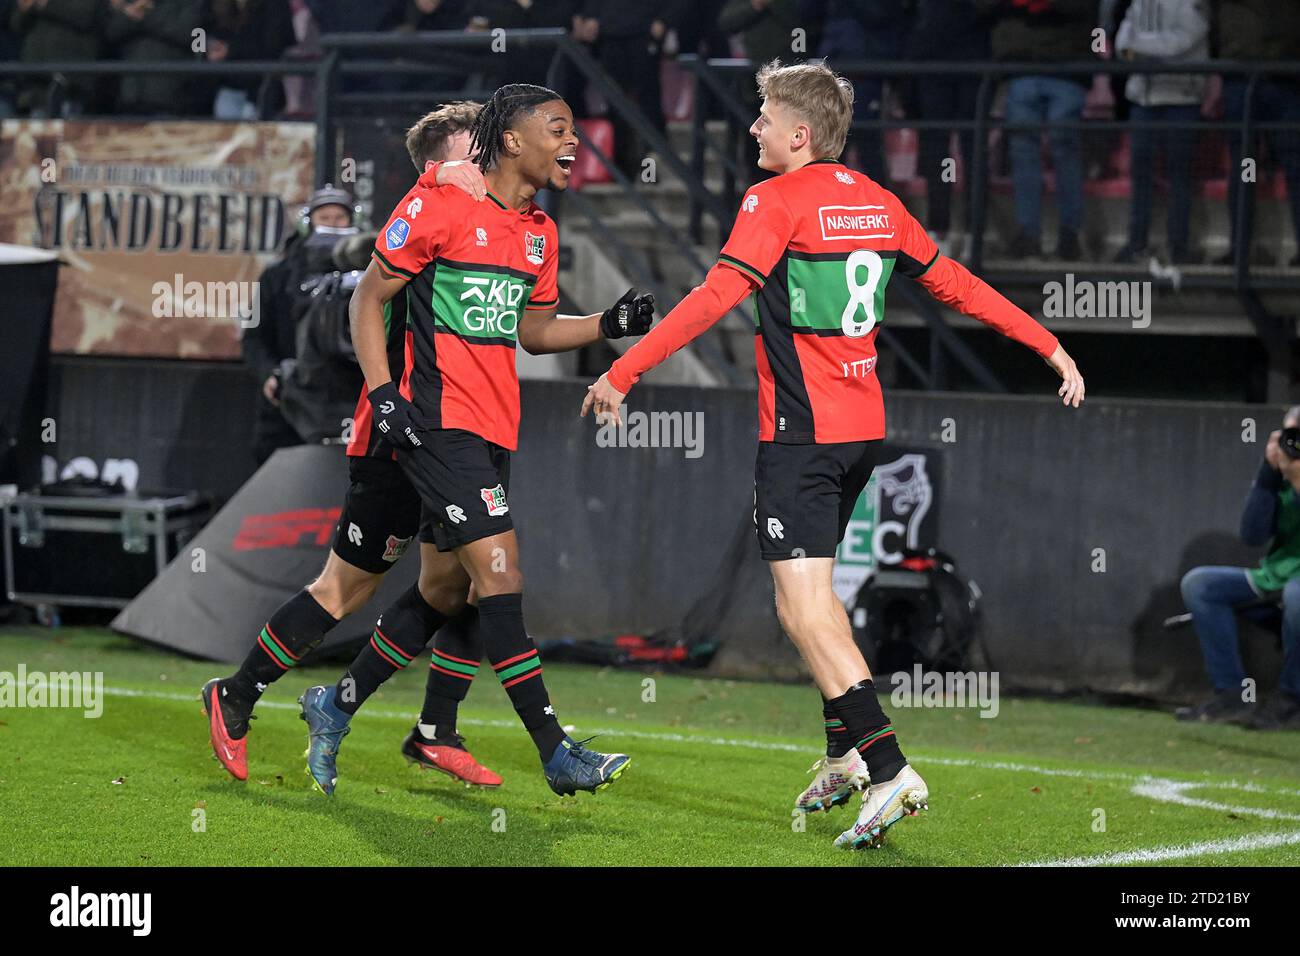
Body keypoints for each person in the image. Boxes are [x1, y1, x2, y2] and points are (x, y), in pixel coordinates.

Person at [582, 59, 1085, 849]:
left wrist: (623, 369)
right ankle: (842, 750)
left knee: (806, 606)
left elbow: (717, 295)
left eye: (764, 117)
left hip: (800, 435)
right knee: (802, 603)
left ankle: (887, 768)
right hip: (859, 434)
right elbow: (955, 283)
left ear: (800, 133)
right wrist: (1048, 343)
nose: (753, 128)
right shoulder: (878, 202)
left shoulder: (773, 200)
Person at [299, 84, 655, 798]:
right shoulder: (441, 204)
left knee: (446, 587)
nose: (572, 143)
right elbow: (368, 297)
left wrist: (606, 326)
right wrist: (382, 393)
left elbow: (532, 331)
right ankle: (555, 750)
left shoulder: (539, 233)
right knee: (500, 572)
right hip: (437, 423)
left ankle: (335, 705)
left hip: (495, 426)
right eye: (557, 128)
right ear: (513, 139)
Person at [206, 103, 505, 785]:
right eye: (473, 149)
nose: (485, 160)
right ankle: (237, 694)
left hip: (456, 437)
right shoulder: (418, 219)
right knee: (344, 589)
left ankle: (434, 728)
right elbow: (357, 291)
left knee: (467, 582)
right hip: (396, 441)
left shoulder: (485, 222)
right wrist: (384, 395)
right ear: (436, 164)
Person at [1178, 408, 1300, 730]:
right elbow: (1253, 535)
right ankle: (1232, 694)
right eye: (1290, 435)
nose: (1294, 443)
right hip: (1276, 575)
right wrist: (1267, 475)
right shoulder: (1279, 476)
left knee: (1297, 595)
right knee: (1200, 584)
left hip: (1295, 589)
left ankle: (1290, 701)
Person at [975, 0, 1097, 260]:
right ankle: (1029, 236)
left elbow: (1085, 8)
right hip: (1020, 66)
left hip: (1068, 65)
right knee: (1024, 152)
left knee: (1064, 149)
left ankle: (1069, 236)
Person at [242, 183, 355, 465]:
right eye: (324, 219)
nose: (332, 226)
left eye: (339, 218)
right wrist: (269, 374)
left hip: (351, 399)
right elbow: (253, 337)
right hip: (291, 400)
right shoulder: (276, 277)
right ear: (308, 224)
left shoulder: (370, 276)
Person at [1112, 0, 1207, 264]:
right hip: (1143, 100)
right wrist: (1135, 48)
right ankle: (1137, 244)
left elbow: (1180, 42)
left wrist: (1137, 46)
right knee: (1141, 177)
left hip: (1182, 99)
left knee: (1180, 177)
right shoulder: (1139, 2)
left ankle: (1178, 247)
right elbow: (1122, 42)